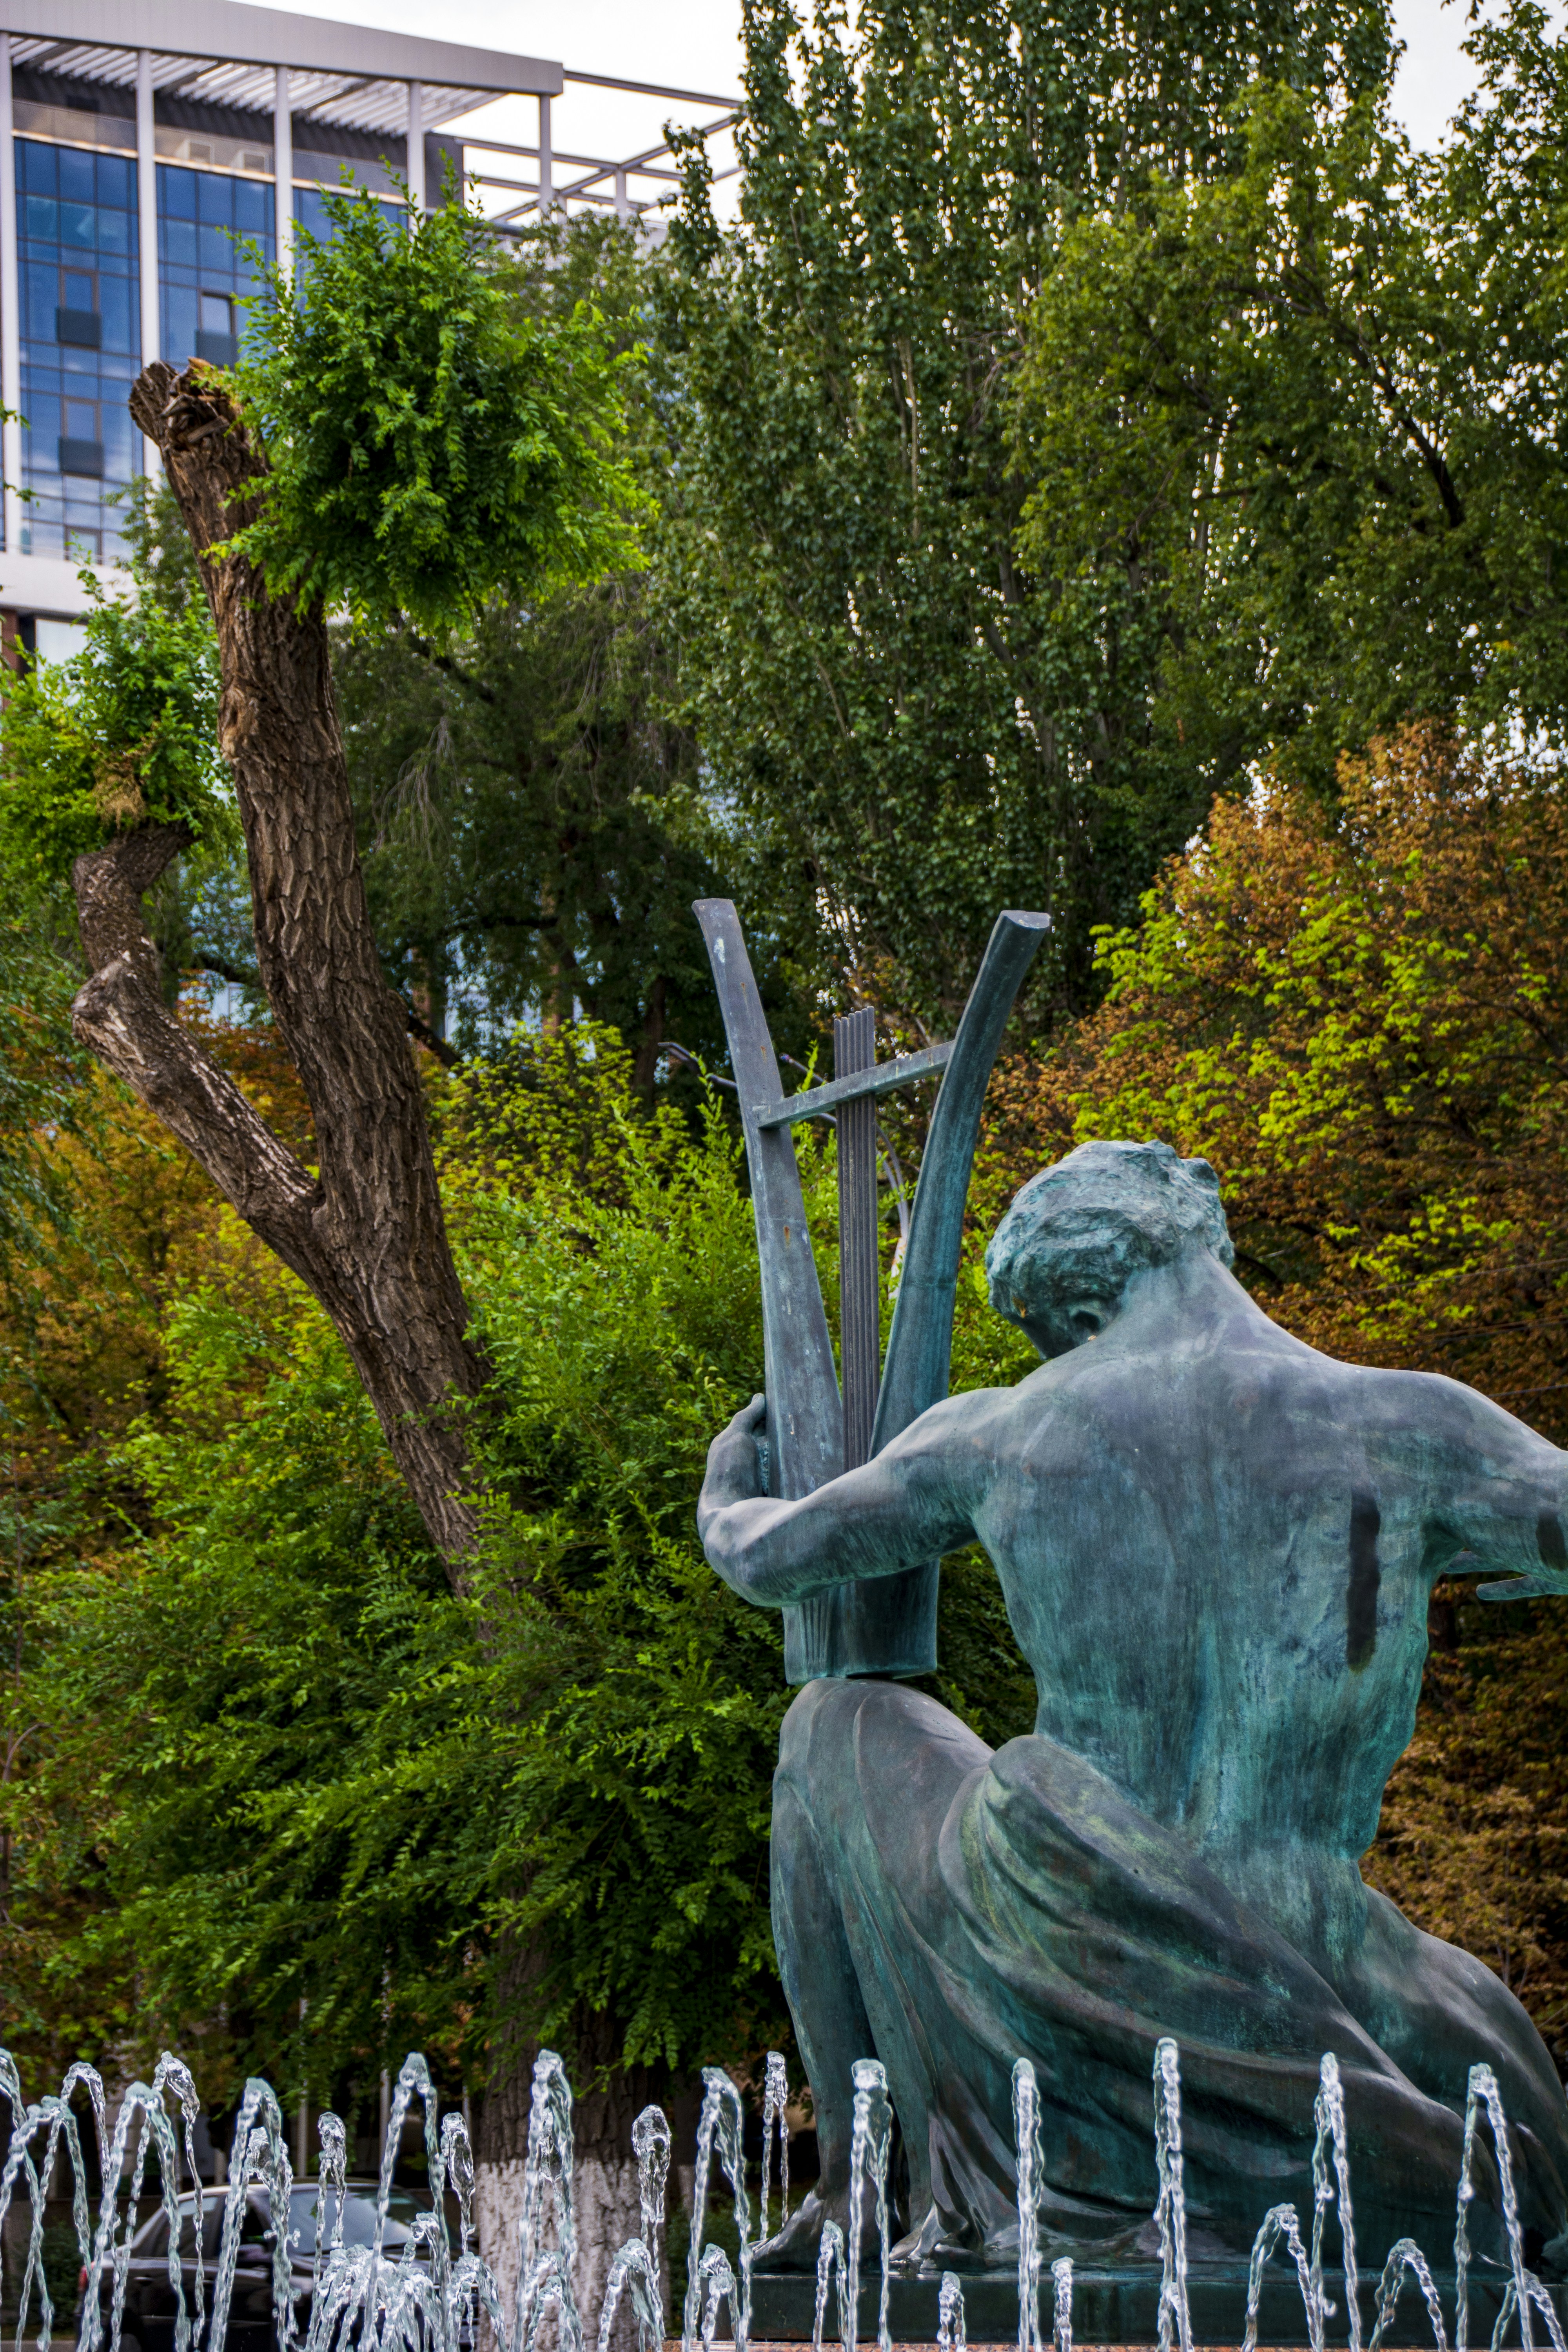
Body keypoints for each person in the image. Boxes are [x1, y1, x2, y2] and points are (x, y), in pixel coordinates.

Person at [698, 1140, 1568, 2276]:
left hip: (1053, 1917)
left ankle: (857, 2191)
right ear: (1193, 1228)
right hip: (1319, 1940)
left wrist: (727, 1484)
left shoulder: (996, 1429)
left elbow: (764, 1559)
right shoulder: (1417, 1426)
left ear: (1077, 1298)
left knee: (830, 1722)